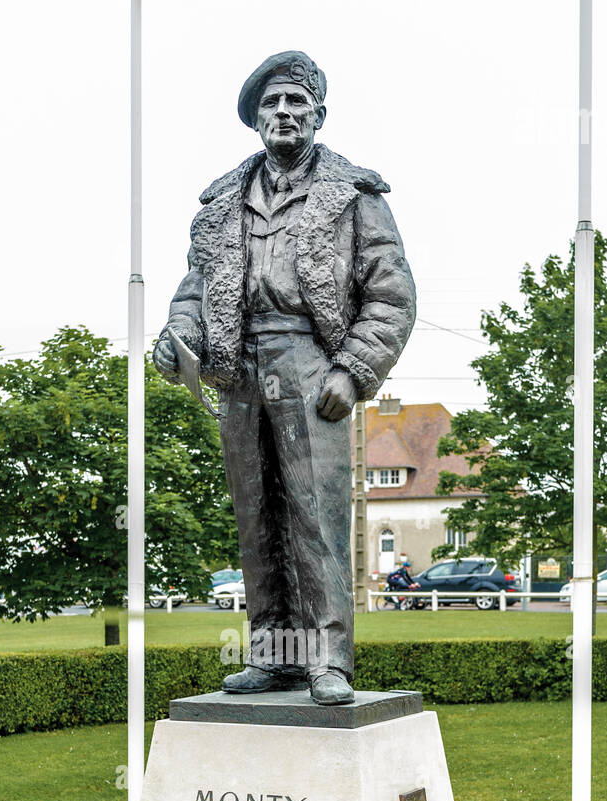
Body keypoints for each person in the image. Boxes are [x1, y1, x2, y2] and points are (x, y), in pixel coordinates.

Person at [153, 51, 416, 704]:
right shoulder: (220, 203)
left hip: (311, 362)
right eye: (271, 104)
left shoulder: (355, 194)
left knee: (316, 520)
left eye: (296, 102)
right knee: (258, 521)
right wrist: (180, 334)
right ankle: (274, 656)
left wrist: (354, 369)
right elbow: (196, 288)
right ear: (256, 120)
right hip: (239, 369)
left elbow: (393, 293)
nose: (284, 113)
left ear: (319, 115)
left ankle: (328, 663)